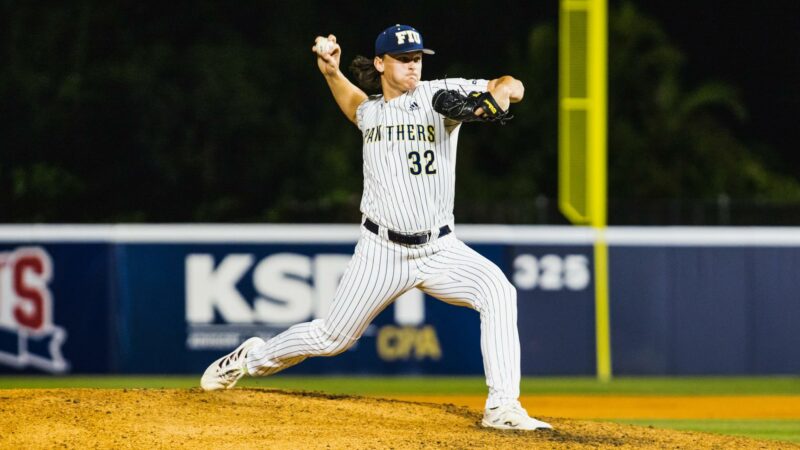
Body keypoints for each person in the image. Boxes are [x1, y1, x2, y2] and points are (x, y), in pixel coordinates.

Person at [201, 24, 552, 431]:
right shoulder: (372, 112)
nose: (413, 67)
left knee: (498, 291)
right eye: (404, 60)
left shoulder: (438, 95)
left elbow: (512, 85)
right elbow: (354, 107)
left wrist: (497, 96)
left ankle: (502, 408)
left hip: (440, 249)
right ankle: (251, 358)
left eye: (418, 59)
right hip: (381, 251)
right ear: (382, 63)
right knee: (333, 338)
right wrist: (331, 72)